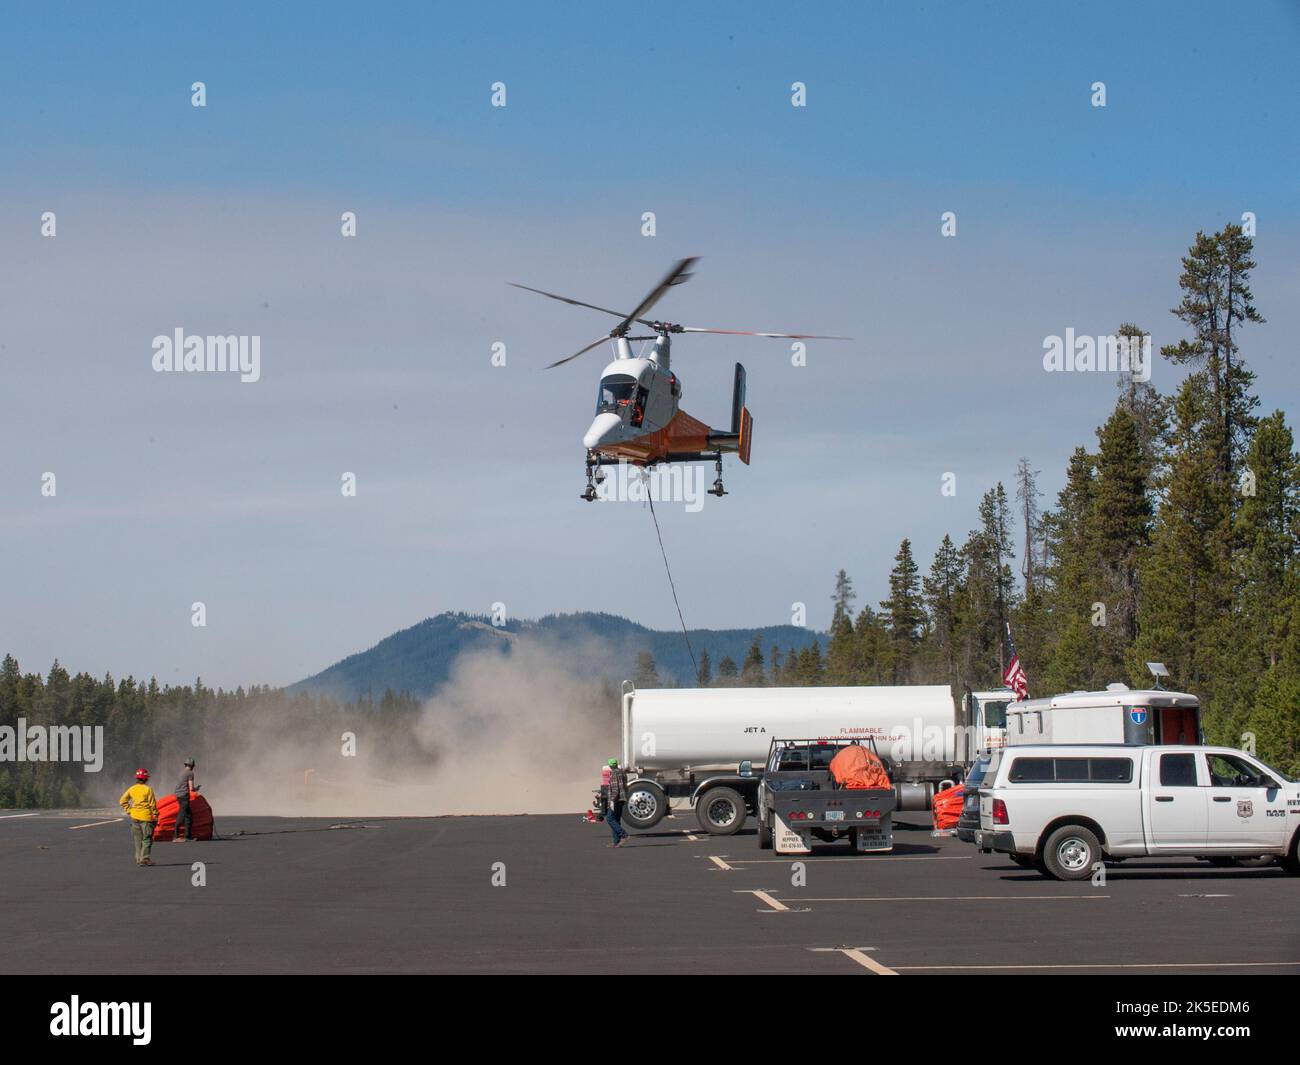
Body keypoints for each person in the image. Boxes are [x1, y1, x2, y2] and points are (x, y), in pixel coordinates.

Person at [119, 768, 159, 867]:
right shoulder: (148, 789)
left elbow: (122, 801)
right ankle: (145, 859)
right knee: (147, 839)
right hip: (146, 818)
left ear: (137, 778)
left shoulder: (132, 789)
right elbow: (153, 804)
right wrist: (155, 815)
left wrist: (129, 810)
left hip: (134, 817)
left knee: (138, 839)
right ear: (146, 779)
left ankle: (138, 859)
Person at [173, 758, 200, 842]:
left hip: (178, 794)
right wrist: (196, 789)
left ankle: (187, 836)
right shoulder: (190, 773)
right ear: (192, 766)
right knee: (182, 814)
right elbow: (191, 788)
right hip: (184, 795)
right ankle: (176, 836)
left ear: (185, 764)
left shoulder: (181, 772)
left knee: (188, 815)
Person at [605, 758, 629, 848]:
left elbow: (615, 789)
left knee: (610, 818)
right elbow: (625, 786)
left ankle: (624, 835)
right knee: (616, 820)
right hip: (622, 799)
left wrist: (612, 800)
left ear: (610, 766)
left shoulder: (614, 773)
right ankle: (616, 842)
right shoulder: (622, 772)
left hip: (616, 799)